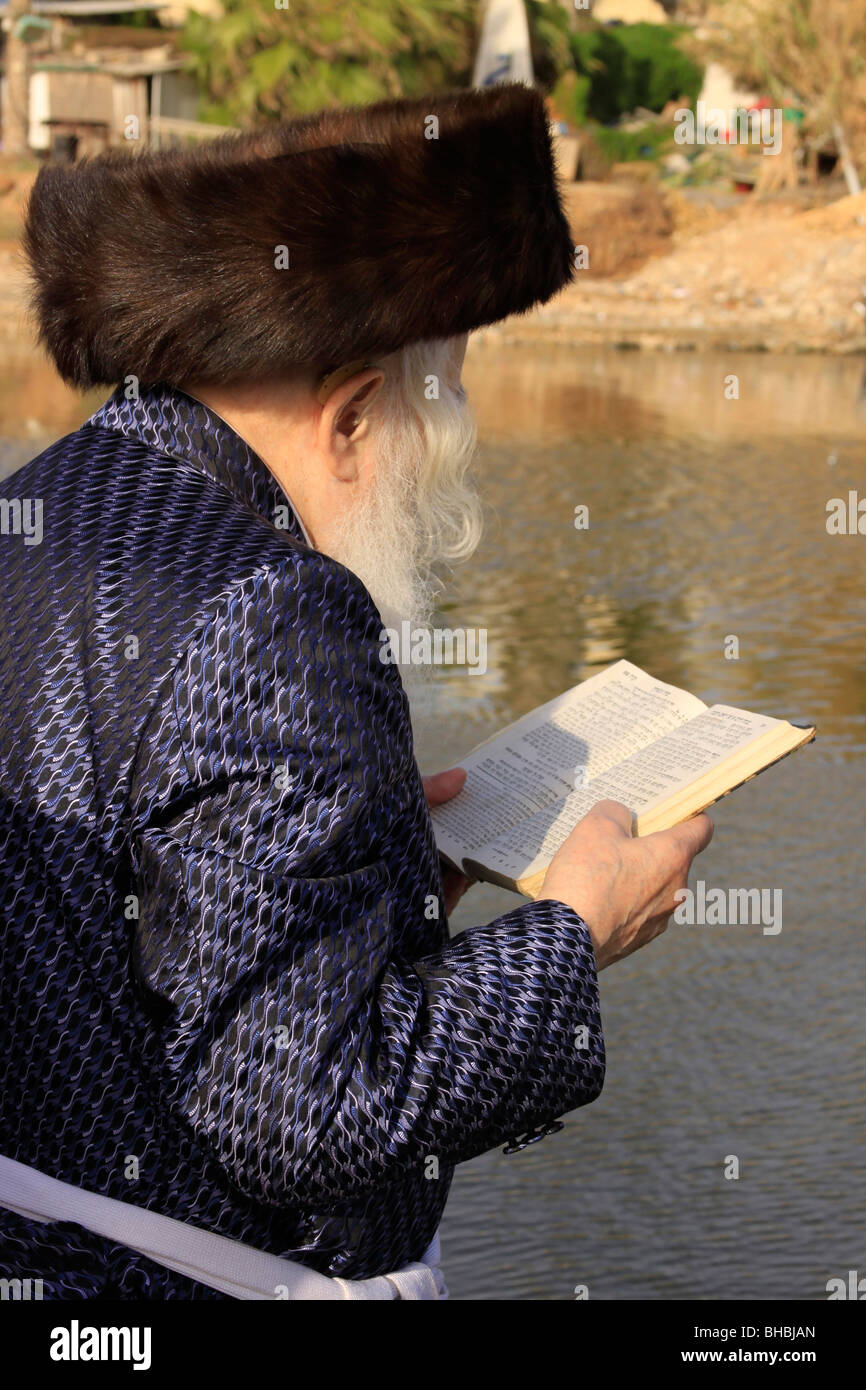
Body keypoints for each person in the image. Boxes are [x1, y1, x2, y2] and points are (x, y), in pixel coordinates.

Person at [0, 83, 712, 1299]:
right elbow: (305, 1111)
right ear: (351, 413)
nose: (454, 440)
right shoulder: (278, 607)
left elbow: (132, 921)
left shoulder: (49, 502)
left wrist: (380, 886)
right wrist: (573, 938)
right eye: (443, 397)